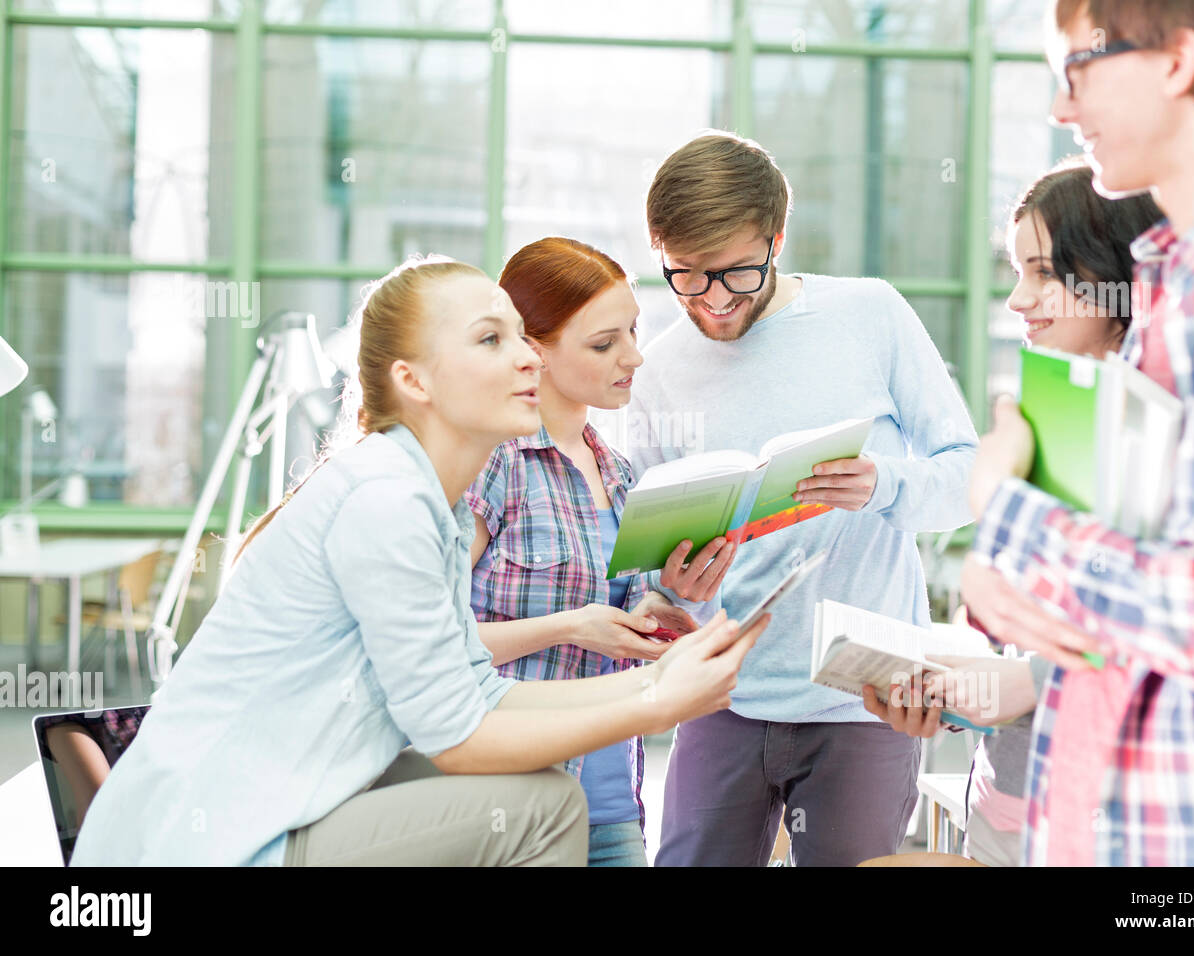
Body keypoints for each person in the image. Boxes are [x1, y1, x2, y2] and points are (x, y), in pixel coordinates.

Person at [69, 255, 767, 866]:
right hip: (209, 842)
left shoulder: (432, 503)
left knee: (543, 791)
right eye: (492, 340)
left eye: (521, 336)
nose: (528, 357)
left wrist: (663, 679)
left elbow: (477, 691)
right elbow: (458, 737)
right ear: (414, 381)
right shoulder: (386, 500)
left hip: (270, 816)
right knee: (546, 806)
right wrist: (654, 703)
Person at [961, 0, 1194, 865]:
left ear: (1177, 62)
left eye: (1077, 71)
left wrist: (1005, 508)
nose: (1061, 110)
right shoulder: (1174, 292)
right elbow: (1140, 585)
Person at [628, 132, 979, 867]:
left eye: (736, 274)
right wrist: (671, 586)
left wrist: (885, 485)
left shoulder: (869, 316)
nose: (713, 303)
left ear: (777, 239)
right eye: (685, 277)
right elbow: (647, 556)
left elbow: (968, 478)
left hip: (861, 696)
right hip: (721, 695)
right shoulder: (659, 369)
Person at [864, 159, 1162, 867]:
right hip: (1009, 804)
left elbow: (1163, 639)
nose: (1019, 301)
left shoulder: (1156, 433)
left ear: (1117, 272)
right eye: (1016, 273)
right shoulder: (1054, 412)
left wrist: (1022, 687)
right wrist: (954, 684)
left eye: (1045, 274)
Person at [465, 237, 722, 866]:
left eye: (632, 332)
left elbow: (620, 627)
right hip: (513, 804)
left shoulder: (623, 475)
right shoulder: (489, 465)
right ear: (533, 351)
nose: (634, 356)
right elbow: (435, 640)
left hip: (615, 806)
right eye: (604, 344)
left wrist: (671, 602)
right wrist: (576, 627)